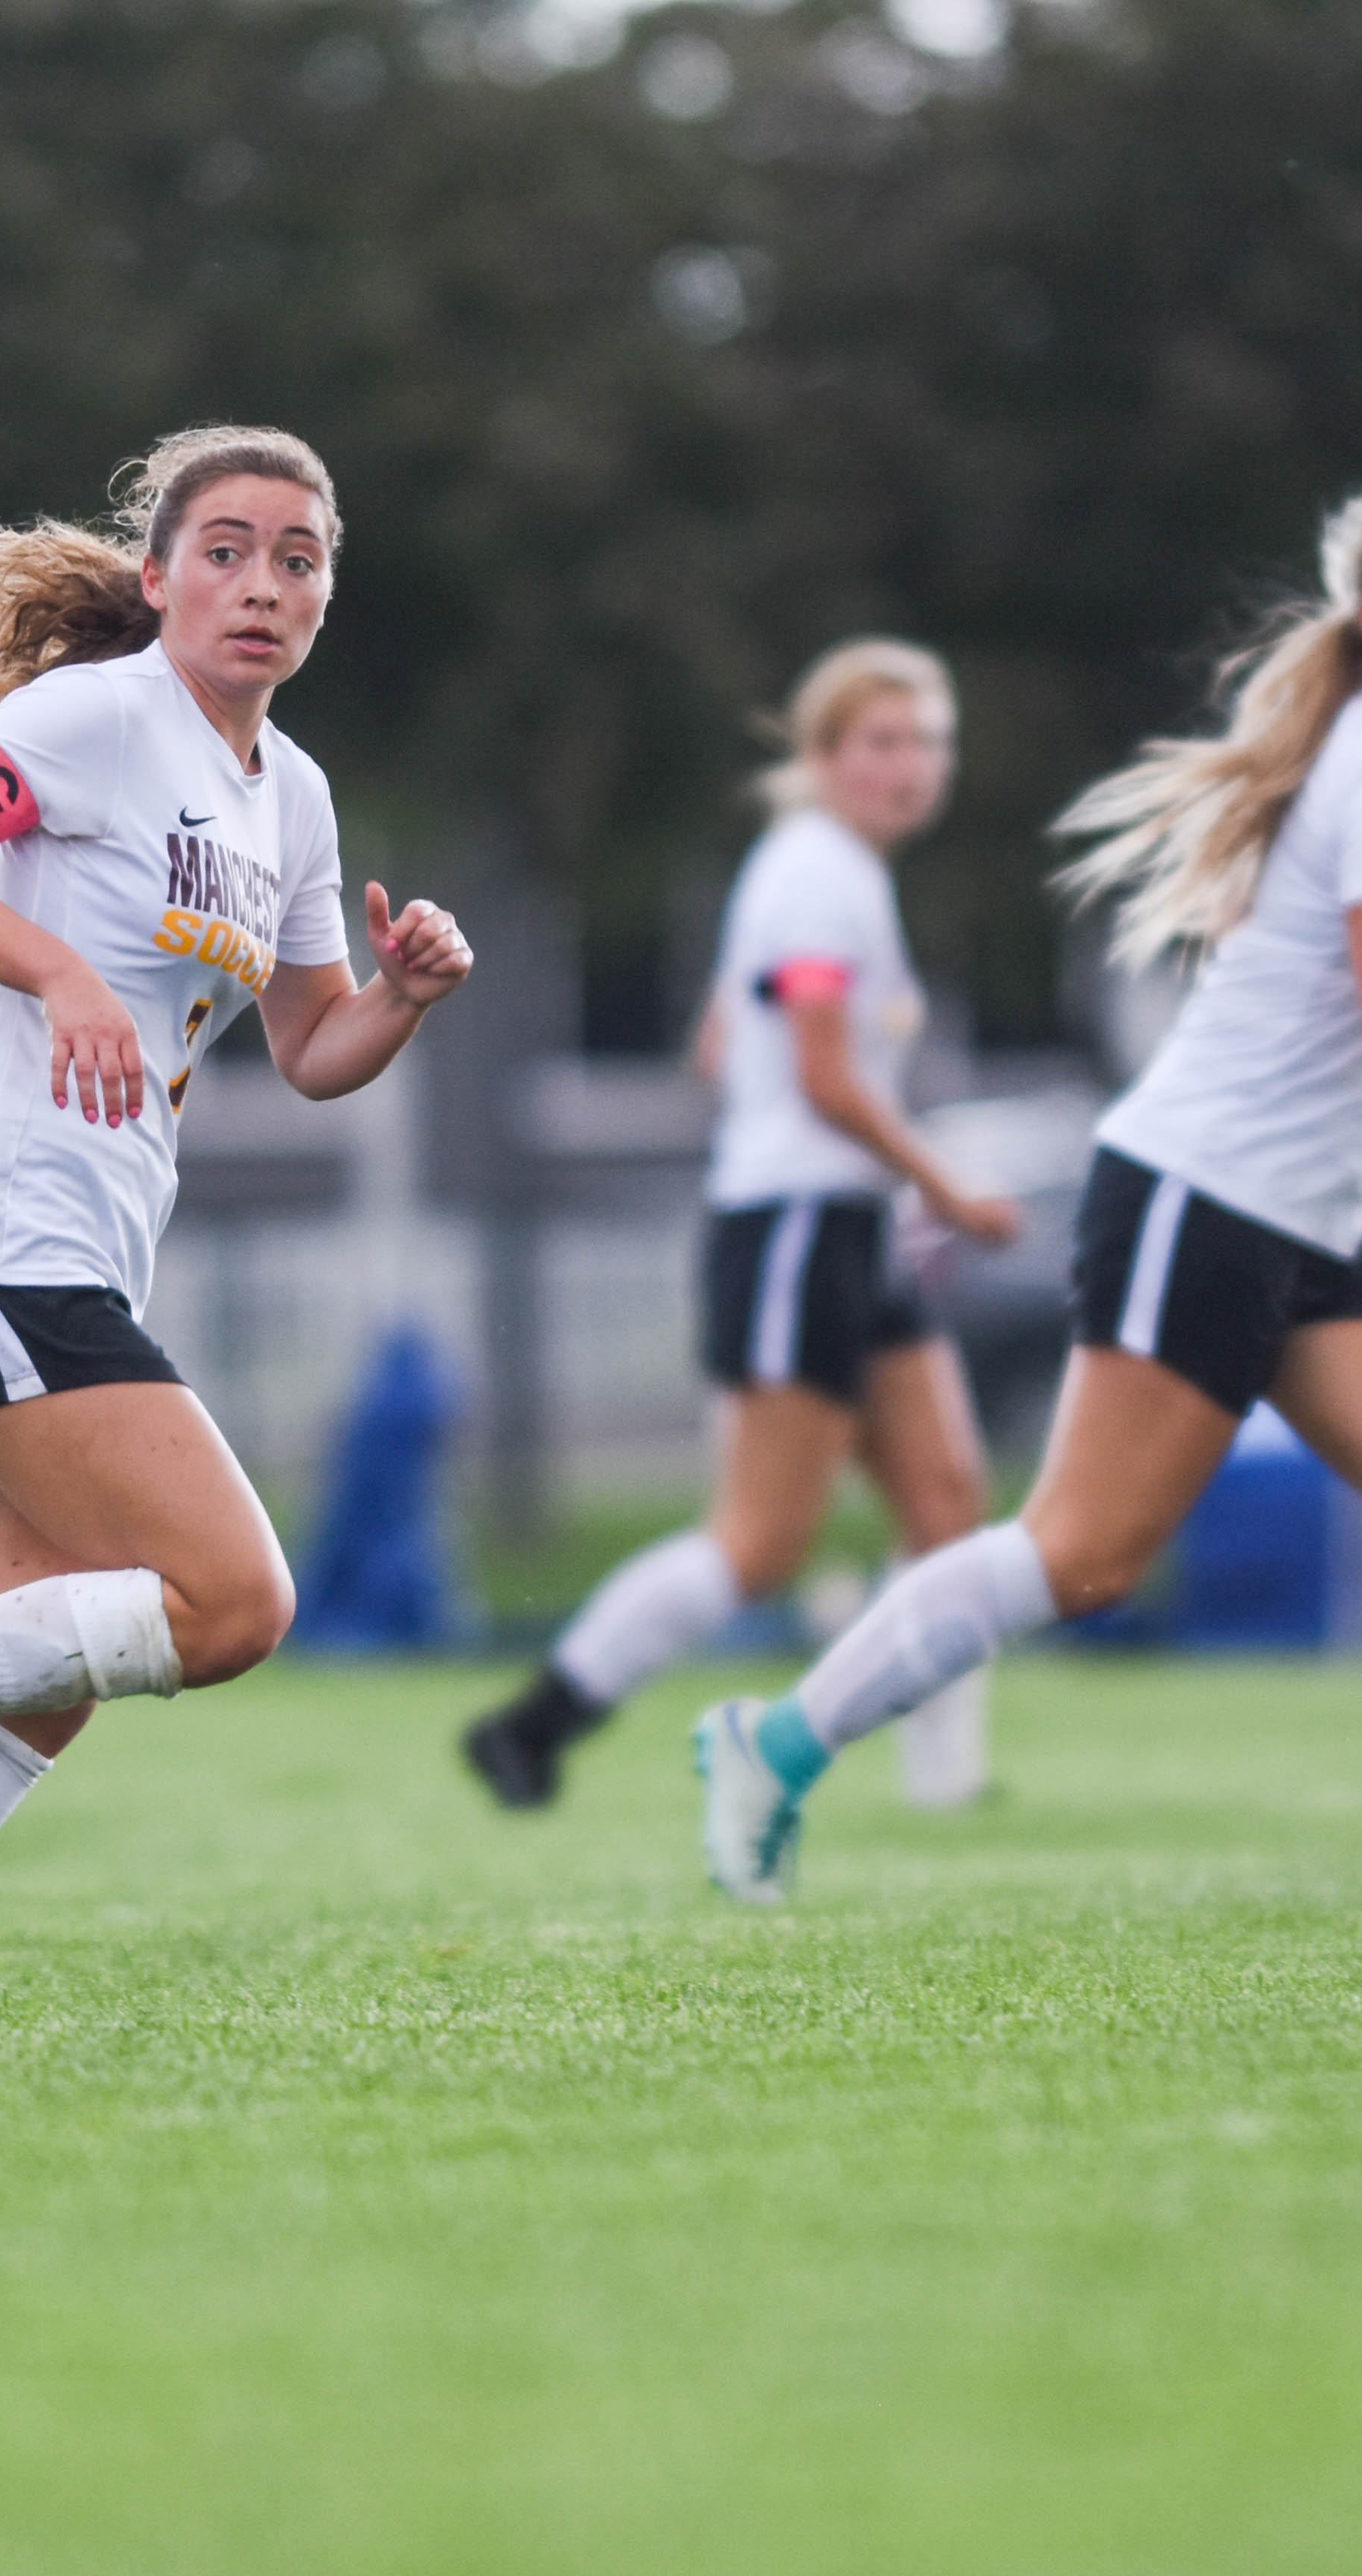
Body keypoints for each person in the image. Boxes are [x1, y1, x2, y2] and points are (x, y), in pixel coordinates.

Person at [695, 462, 1362, 1905]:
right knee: (1080, 1555)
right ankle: (773, 1742)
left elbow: (1341, 1003)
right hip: (1205, 1199)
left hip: (1313, 1212)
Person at [0, 425, 475, 2017]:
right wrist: (53, 973)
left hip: (47, 1258)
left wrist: (398, 997)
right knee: (238, 1605)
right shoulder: (99, 717)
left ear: (328, 596)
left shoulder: (293, 800)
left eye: (300, 558)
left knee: (41, 1685)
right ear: (159, 577)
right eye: (229, 550)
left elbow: (316, 1050)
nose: (263, 584)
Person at [462, 641, 1021, 1816]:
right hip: (795, 1229)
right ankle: (534, 1722)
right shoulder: (816, 872)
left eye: (930, 741)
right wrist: (949, 1186)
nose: (911, 766)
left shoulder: (834, 875)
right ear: (822, 758)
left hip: (847, 1223)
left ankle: (946, 1779)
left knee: (944, 1498)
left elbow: (724, 1042)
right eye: (883, 742)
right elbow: (821, 1078)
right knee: (762, 1544)